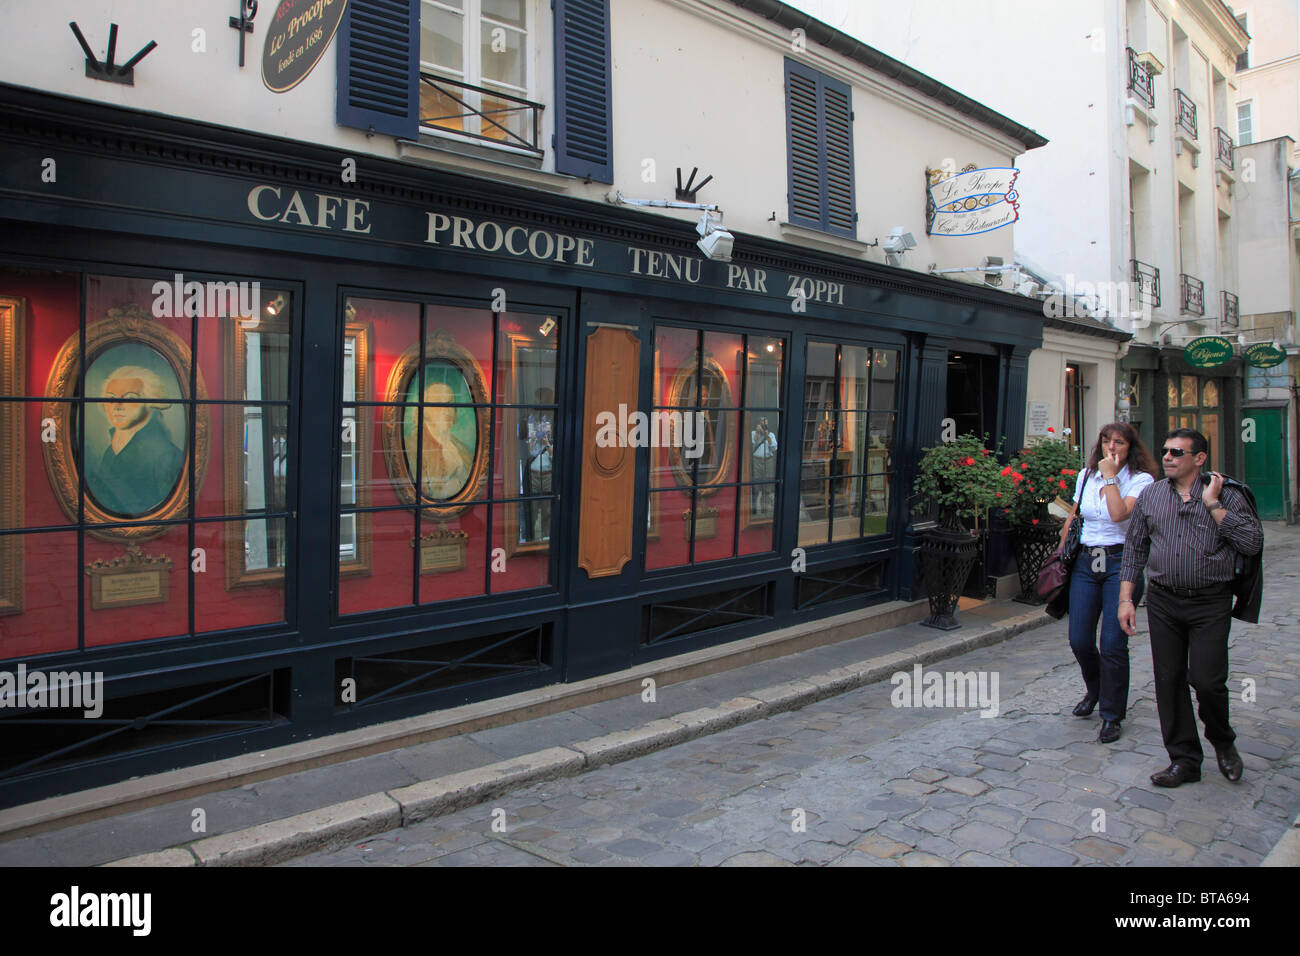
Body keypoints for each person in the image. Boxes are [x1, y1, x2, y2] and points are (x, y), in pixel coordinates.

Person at [1119, 428, 1263, 788]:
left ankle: (1222, 740)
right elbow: (1135, 548)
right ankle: (1184, 760)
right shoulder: (1152, 495)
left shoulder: (1227, 493)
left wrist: (1213, 504)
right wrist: (1125, 599)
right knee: (1168, 681)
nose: (1167, 457)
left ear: (1199, 459)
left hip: (1210, 601)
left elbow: (1252, 542)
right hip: (1163, 601)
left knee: (1207, 681)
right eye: (1165, 450)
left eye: (1177, 452)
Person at [1057, 422, 1158, 743]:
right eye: (1106, 441)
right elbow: (1074, 515)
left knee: (1113, 644)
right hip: (1086, 562)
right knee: (1079, 639)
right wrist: (1061, 553)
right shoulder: (1086, 476)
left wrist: (1111, 477)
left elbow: (1119, 514)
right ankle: (1095, 689)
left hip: (1121, 563)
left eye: (1119, 442)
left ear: (1130, 447)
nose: (1111, 447)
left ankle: (1112, 715)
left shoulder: (1141, 480)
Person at [89, 365, 184, 517]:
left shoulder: (166, 455)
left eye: (130, 398)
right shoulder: (112, 449)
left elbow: (170, 514)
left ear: (151, 401)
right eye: (111, 398)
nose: (117, 407)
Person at [410, 381, 474, 499]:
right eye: (439, 405)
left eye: (450, 405)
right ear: (425, 410)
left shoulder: (461, 447)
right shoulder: (412, 446)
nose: (446, 411)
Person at [750, 416, 777, 517]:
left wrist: (766, 435)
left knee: (767, 486)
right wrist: (758, 433)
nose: (763, 426)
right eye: (762, 424)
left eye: (765, 424)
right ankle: (753, 509)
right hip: (756, 461)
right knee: (755, 486)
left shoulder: (771, 435)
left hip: (768, 461)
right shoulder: (753, 433)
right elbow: (752, 445)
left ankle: (764, 509)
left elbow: (774, 447)